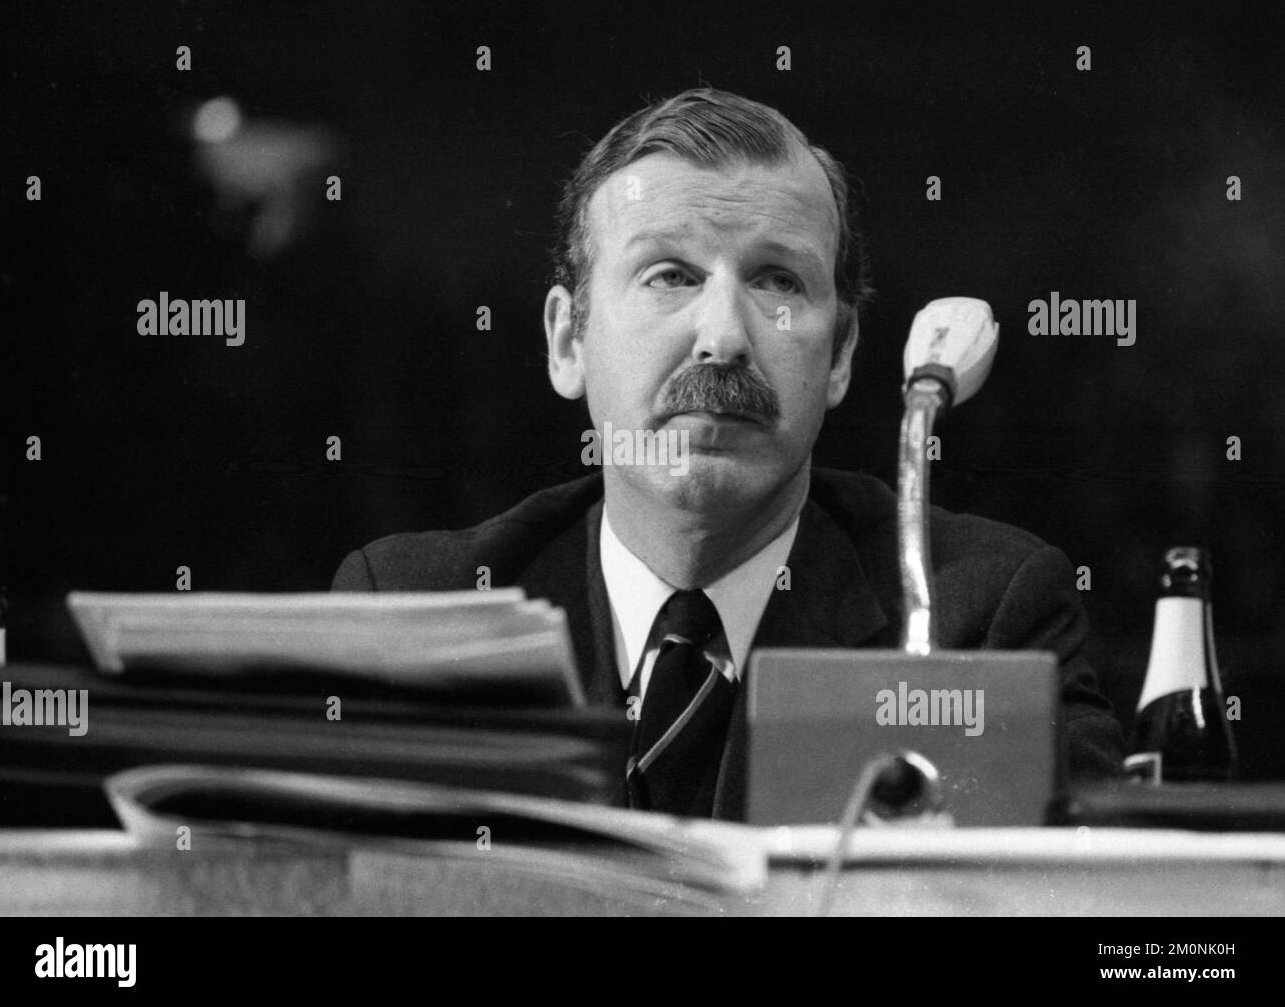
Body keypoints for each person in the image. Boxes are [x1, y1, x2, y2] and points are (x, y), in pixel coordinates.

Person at [332, 87, 1125, 819]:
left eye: (778, 282)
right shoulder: (409, 617)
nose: (724, 338)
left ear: (842, 353)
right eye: (669, 275)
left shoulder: (978, 621)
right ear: (569, 340)